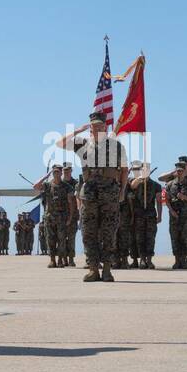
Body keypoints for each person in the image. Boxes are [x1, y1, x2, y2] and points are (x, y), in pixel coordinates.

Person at [58, 111, 127, 282]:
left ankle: (107, 270)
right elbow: (60, 143)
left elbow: (124, 170)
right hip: (89, 194)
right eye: (94, 126)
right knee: (89, 232)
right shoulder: (83, 144)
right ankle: (93, 269)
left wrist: (122, 191)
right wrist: (77, 131)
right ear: (90, 128)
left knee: (109, 231)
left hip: (110, 193)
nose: (97, 129)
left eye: (100, 126)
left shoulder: (116, 146)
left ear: (106, 127)